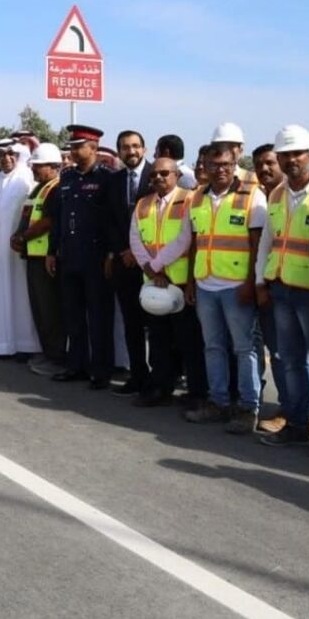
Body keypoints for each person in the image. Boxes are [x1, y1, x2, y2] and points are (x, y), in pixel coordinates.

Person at [183, 143, 266, 433]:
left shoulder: (252, 196)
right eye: (214, 165)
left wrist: (251, 283)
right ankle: (218, 402)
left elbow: (257, 245)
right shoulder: (197, 197)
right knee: (213, 347)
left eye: (226, 165)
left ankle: (248, 407)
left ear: (235, 165)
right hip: (206, 284)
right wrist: (191, 282)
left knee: (244, 349)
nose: (220, 170)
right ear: (204, 166)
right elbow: (196, 242)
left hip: (236, 286)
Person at [257, 126, 309, 449]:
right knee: (290, 361)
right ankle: (297, 425)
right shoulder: (277, 194)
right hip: (282, 289)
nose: (291, 159)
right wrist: (260, 281)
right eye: (285, 154)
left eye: (297, 153)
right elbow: (267, 242)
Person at [129, 158, 205, 407]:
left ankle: (196, 393)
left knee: (189, 341)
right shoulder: (143, 203)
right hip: (154, 284)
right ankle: (160, 388)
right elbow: (135, 239)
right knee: (158, 340)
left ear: (176, 175)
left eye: (164, 173)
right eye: (154, 174)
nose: (158, 178)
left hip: (180, 283)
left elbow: (185, 239)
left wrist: (156, 266)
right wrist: (151, 270)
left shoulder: (190, 199)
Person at [48, 125, 115, 389]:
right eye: (72, 147)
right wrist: (52, 251)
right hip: (69, 255)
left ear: (94, 147)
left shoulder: (107, 178)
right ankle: (76, 365)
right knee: (73, 315)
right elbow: (58, 219)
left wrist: (110, 254)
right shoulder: (67, 178)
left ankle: (101, 370)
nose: (74, 152)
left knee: (98, 317)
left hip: (96, 257)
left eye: (79, 147)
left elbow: (113, 221)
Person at [251, 141, 299, 434]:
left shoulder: (296, 197)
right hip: (269, 286)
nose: (264, 168)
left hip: (296, 287)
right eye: (259, 164)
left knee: (289, 354)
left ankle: (297, 411)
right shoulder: (263, 197)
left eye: (270, 162)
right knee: (278, 351)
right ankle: (291, 408)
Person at [105, 130, 152, 396]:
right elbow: (109, 221)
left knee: (156, 326)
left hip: (154, 264)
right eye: (125, 147)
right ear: (119, 151)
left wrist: (140, 252)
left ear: (144, 149)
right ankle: (138, 375)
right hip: (124, 262)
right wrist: (123, 250)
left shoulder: (158, 176)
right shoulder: (114, 181)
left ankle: (160, 379)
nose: (131, 151)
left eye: (135, 146)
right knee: (131, 324)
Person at [0, 141, 39, 356]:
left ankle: (25, 344)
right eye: (1, 155)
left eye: (11, 154)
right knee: (1, 291)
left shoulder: (26, 179)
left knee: (21, 294)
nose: (6, 158)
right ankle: (0, 344)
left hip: (21, 249)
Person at [11, 143, 65, 375]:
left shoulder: (56, 188)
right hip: (33, 255)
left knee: (49, 309)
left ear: (53, 166)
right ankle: (48, 353)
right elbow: (29, 218)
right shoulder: (38, 189)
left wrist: (23, 236)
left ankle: (57, 358)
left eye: (38, 166)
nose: (33, 169)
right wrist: (18, 236)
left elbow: (48, 221)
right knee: (40, 309)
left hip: (46, 259)